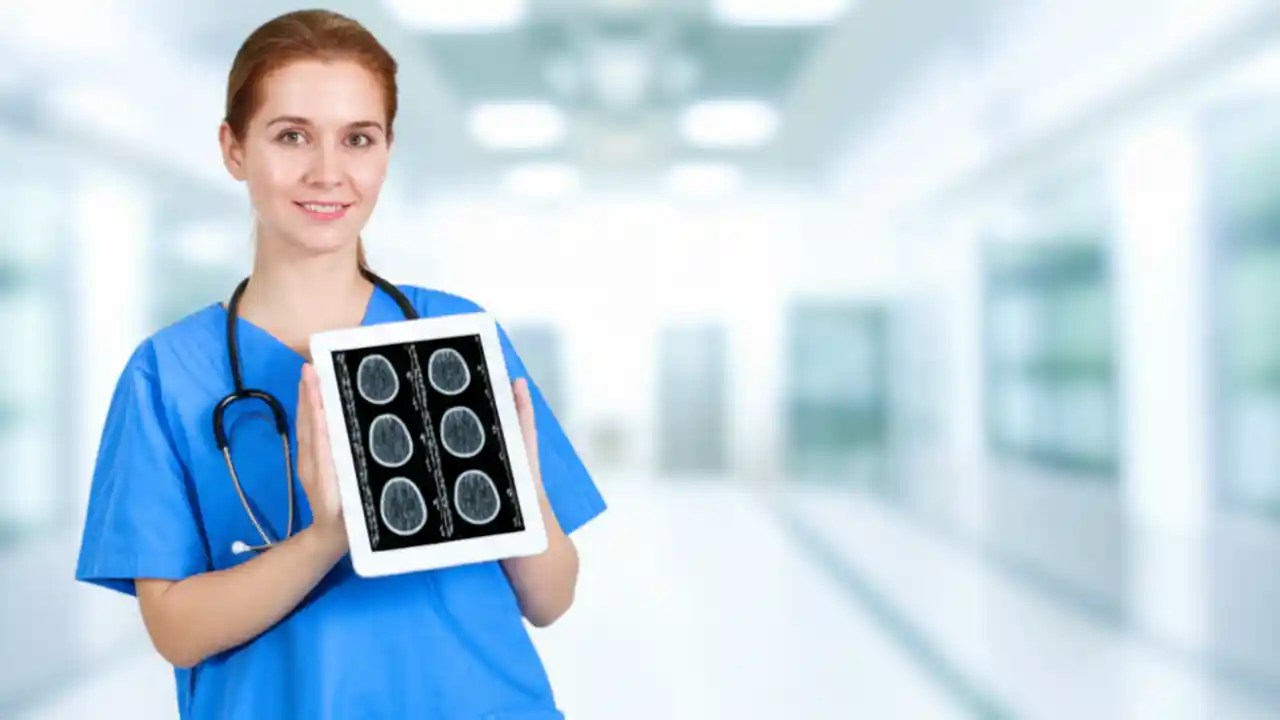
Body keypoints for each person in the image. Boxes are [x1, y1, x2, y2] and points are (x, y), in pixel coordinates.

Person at [73, 9, 606, 719]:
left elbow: (551, 598)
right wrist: (329, 537)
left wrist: (524, 497)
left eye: (359, 138)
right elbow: (176, 630)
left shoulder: (452, 334)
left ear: (386, 150)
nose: (328, 172)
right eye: (292, 135)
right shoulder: (168, 374)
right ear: (233, 149)